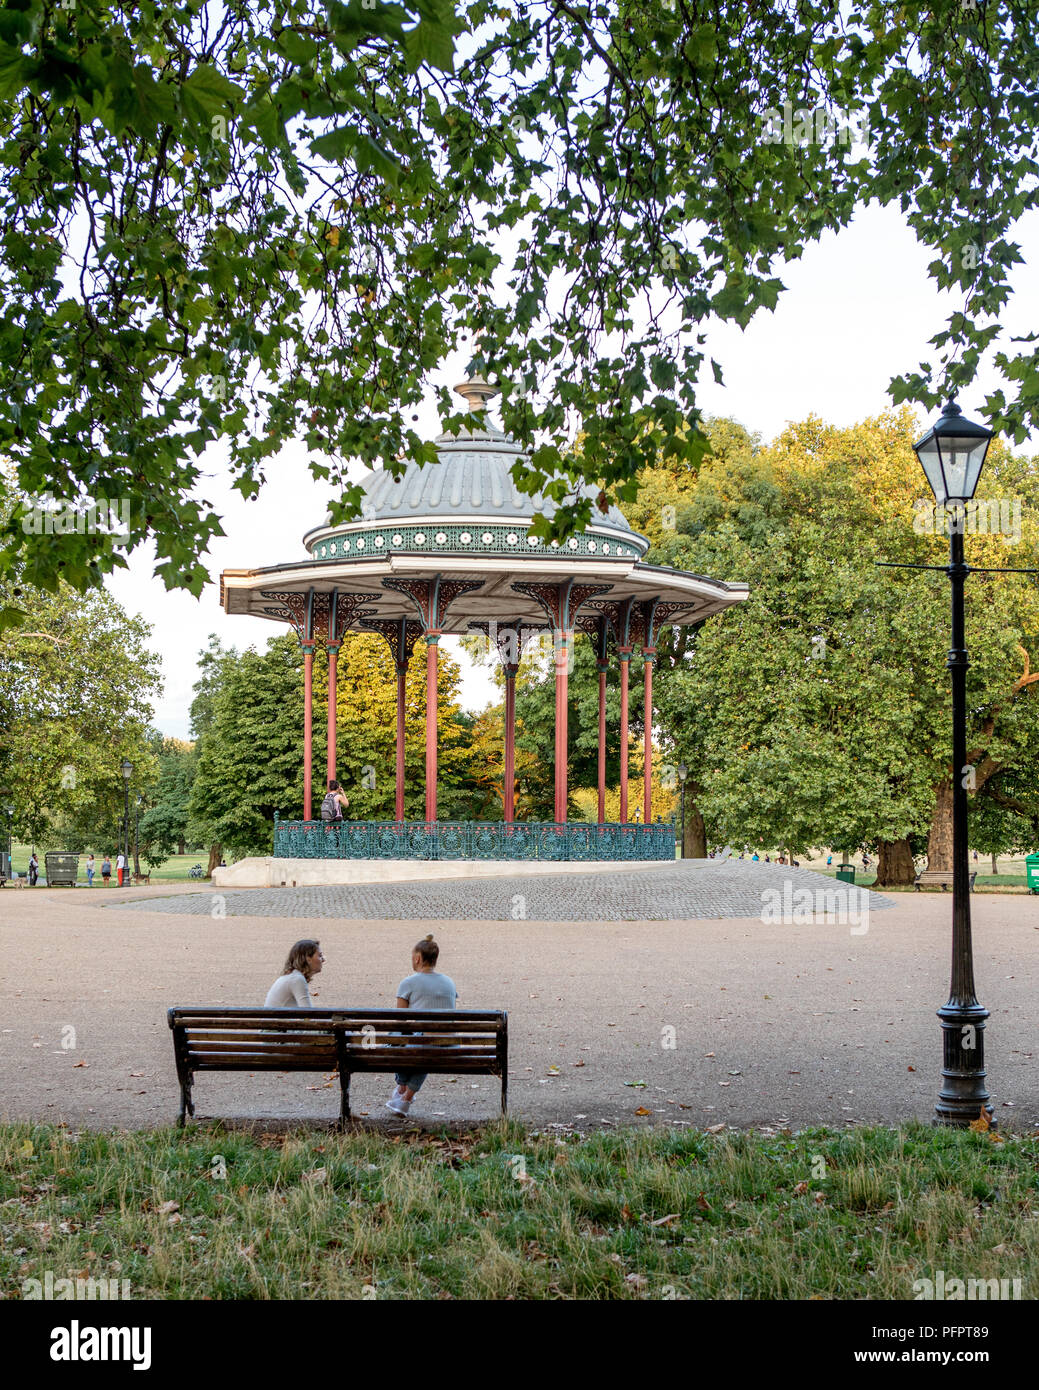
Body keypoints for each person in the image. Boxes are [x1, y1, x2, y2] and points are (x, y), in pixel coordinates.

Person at [386, 934, 457, 1117]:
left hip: (423, 1044)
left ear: (417, 958)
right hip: (448, 1045)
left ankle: (403, 1091)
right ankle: (405, 1097)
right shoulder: (449, 983)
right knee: (428, 1045)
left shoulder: (408, 982)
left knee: (396, 1041)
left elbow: (400, 1023)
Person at [265, 939, 324, 1007]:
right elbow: (307, 1013)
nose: (323, 960)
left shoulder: (293, 976)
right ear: (308, 959)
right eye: (319, 955)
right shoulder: (297, 979)